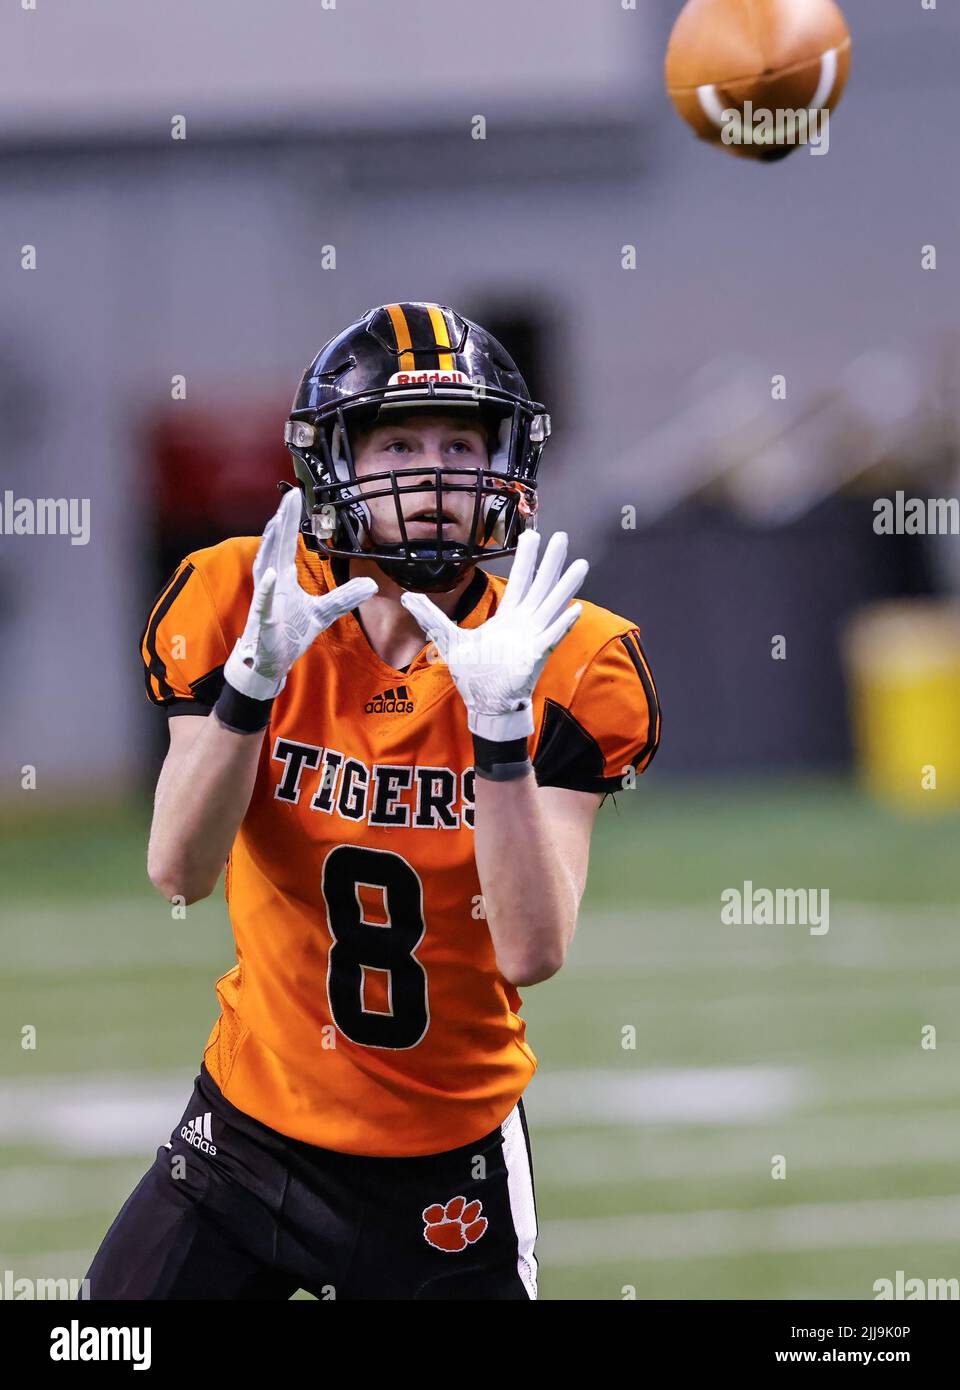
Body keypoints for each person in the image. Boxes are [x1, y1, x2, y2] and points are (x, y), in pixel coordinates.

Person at [86, 301, 661, 1300]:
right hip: (245, 1138)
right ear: (335, 462)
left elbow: (533, 950)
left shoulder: (570, 657)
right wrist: (250, 687)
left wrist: (498, 731)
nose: (435, 474)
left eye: (460, 442)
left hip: (446, 1167)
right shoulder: (240, 600)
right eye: (399, 442)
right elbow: (178, 869)